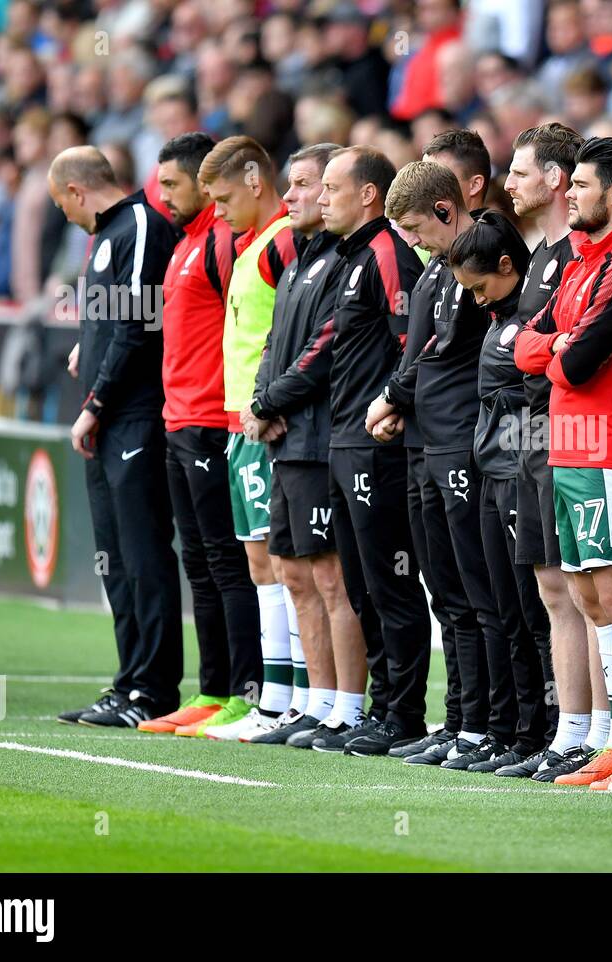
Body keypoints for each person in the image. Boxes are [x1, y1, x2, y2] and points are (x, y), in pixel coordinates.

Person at [513, 136, 612, 790]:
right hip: (569, 445)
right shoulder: (579, 261)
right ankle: (610, 738)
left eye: (578, 185)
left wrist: (557, 348)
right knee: (586, 594)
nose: (567, 194)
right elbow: (523, 348)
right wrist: (559, 345)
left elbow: (572, 363)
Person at [364, 159, 500, 762]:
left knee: (478, 592)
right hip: (423, 443)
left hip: (460, 442)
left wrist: (392, 396)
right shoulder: (431, 272)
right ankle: (459, 720)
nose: (412, 241)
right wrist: (398, 402)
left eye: (417, 227)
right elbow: (417, 351)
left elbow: (441, 356)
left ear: (447, 210)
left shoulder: (479, 258)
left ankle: (491, 724)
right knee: (444, 590)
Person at [245, 142, 375, 747]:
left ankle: (347, 706)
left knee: (330, 578)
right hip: (285, 439)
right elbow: (276, 342)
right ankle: (314, 699)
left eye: (307, 185)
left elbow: (324, 351)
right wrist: (259, 401)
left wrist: (269, 404)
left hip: (320, 439)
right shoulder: (295, 259)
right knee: (293, 573)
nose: (297, 197)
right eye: (296, 186)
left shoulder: (344, 263)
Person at [51, 146, 182, 728]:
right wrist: (89, 344)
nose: (65, 215)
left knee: (143, 553)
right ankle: (129, 683)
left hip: (133, 415)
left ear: (77, 191)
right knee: (116, 560)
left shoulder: (140, 225)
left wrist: (97, 403)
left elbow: (137, 323)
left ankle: (153, 689)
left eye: (62, 204)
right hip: (108, 418)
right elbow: (114, 321)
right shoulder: (105, 234)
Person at [137, 132, 262, 738]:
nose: (163, 197)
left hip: (215, 422)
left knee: (228, 560)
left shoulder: (222, 242)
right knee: (202, 563)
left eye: (172, 185)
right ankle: (213, 689)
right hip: (180, 421)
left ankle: (245, 690)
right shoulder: (186, 242)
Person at [312, 145, 432, 754]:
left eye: (330, 186)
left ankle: (403, 714)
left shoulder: (390, 253)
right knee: (359, 584)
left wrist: (394, 406)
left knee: (390, 583)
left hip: (375, 446)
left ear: (367, 194)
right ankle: (382, 708)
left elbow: (412, 341)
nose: (318, 196)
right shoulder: (350, 257)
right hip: (342, 440)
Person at [499, 122, 601, 781]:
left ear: (556, 181)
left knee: (590, 590)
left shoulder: (579, 256)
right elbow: (528, 345)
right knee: (553, 589)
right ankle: (571, 730)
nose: (510, 183)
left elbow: (555, 349)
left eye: (521, 171)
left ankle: (604, 733)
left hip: (574, 436)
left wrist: (534, 349)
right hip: (534, 437)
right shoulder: (541, 256)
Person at [197, 135, 304, 743]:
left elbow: (294, 331)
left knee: (284, 561)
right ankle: (275, 695)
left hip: (270, 423)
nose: (217, 211)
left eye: (222, 197)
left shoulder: (284, 241)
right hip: (242, 421)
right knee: (259, 559)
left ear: (254, 181)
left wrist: (270, 403)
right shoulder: (249, 245)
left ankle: (293, 697)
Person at [446, 210, 555, 772]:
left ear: (509, 266)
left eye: (481, 287)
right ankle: (514, 731)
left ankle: (546, 732)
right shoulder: (495, 316)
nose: (476, 300)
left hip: (520, 472)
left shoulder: (533, 313)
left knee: (534, 613)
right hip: (492, 470)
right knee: (504, 611)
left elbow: (534, 399)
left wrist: (518, 466)